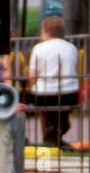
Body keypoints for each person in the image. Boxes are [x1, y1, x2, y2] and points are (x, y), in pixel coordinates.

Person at [27, 15, 81, 149]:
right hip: (69, 93)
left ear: (46, 31)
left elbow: (32, 77)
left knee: (44, 111)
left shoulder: (38, 48)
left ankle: (48, 136)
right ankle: (57, 134)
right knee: (61, 114)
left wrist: (31, 87)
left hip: (45, 93)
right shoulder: (72, 48)